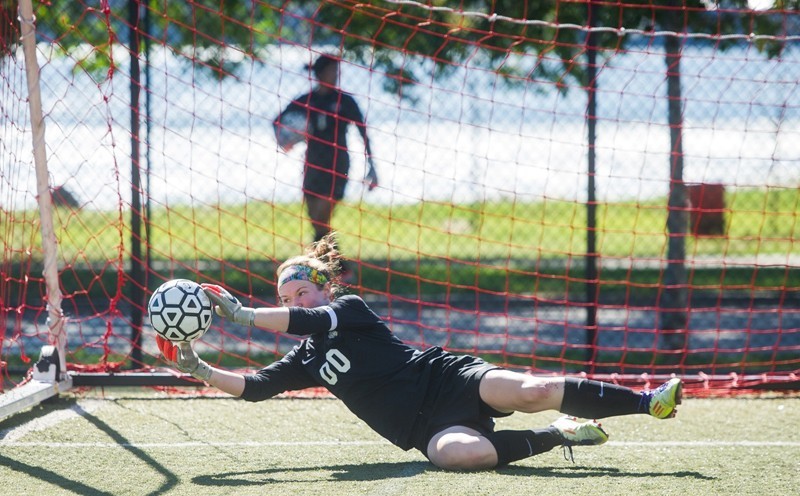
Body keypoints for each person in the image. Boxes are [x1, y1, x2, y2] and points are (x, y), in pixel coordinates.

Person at [156, 234, 683, 471]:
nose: (296, 303)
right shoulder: (305, 359)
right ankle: (559, 433)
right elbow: (254, 389)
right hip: (425, 428)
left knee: (534, 390)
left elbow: (308, 320)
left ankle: (647, 401)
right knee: (461, 456)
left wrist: (242, 316)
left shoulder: (350, 309)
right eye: (285, 298)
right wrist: (197, 365)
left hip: (448, 378)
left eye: (303, 292)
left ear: (325, 290)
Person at [274, 53, 378, 243]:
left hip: (337, 165)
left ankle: (333, 267)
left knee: (322, 217)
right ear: (320, 73)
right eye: (331, 71)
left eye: (336, 71)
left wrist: (372, 167)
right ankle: (334, 266)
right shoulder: (307, 100)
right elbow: (277, 121)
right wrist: (286, 139)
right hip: (312, 163)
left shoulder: (345, 102)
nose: (335, 75)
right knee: (315, 220)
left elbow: (363, 133)